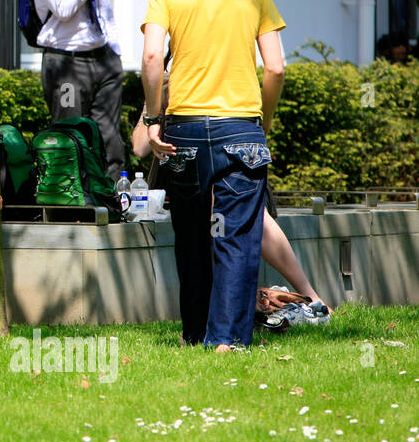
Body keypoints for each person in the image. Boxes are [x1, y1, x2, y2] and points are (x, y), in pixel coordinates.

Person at [142, 0, 286, 351]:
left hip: (183, 129)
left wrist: (151, 118)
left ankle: (194, 333)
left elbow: (151, 59)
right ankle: (227, 340)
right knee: (238, 237)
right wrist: (263, 118)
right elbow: (276, 67)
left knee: (190, 235)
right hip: (240, 128)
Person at [130, 53, 328, 320]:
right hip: (181, 190)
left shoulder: (220, 88)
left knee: (241, 209)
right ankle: (222, 312)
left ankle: (310, 296)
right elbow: (138, 147)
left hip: (228, 185)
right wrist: (153, 103)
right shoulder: (165, 95)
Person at [31, 0, 125, 176]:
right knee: (70, 135)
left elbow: (103, 9)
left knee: (108, 136)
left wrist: (114, 51)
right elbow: (63, 8)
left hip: (102, 59)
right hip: (67, 62)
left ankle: (109, 198)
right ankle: (73, 203)